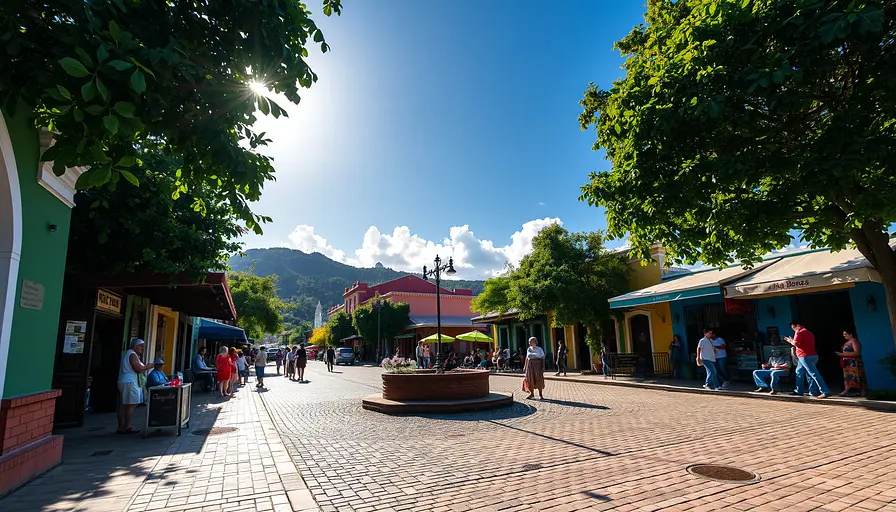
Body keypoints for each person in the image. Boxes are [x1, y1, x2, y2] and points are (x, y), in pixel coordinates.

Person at [784, 320, 829, 399]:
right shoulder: (809, 332)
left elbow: (796, 343)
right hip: (813, 355)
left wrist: (789, 340)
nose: (794, 329)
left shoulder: (800, 332)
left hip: (804, 356)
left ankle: (825, 391)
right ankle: (808, 391)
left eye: (794, 327)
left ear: (798, 325)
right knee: (800, 372)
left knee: (813, 373)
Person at [117, 339, 153, 434]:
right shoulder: (132, 354)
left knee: (123, 405)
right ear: (135, 346)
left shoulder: (127, 354)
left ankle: (121, 426)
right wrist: (148, 366)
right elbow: (139, 368)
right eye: (141, 346)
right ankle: (127, 426)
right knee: (130, 405)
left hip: (124, 381)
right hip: (130, 382)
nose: (143, 348)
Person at [837, 329, 865, 397]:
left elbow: (857, 352)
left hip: (854, 363)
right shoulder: (848, 342)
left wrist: (843, 354)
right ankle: (846, 390)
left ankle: (863, 392)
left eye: (846, 334)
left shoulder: (854, 341)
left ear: (851, 334)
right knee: (848, 377)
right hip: (847, 363)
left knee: (858, 377)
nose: (844, 336)